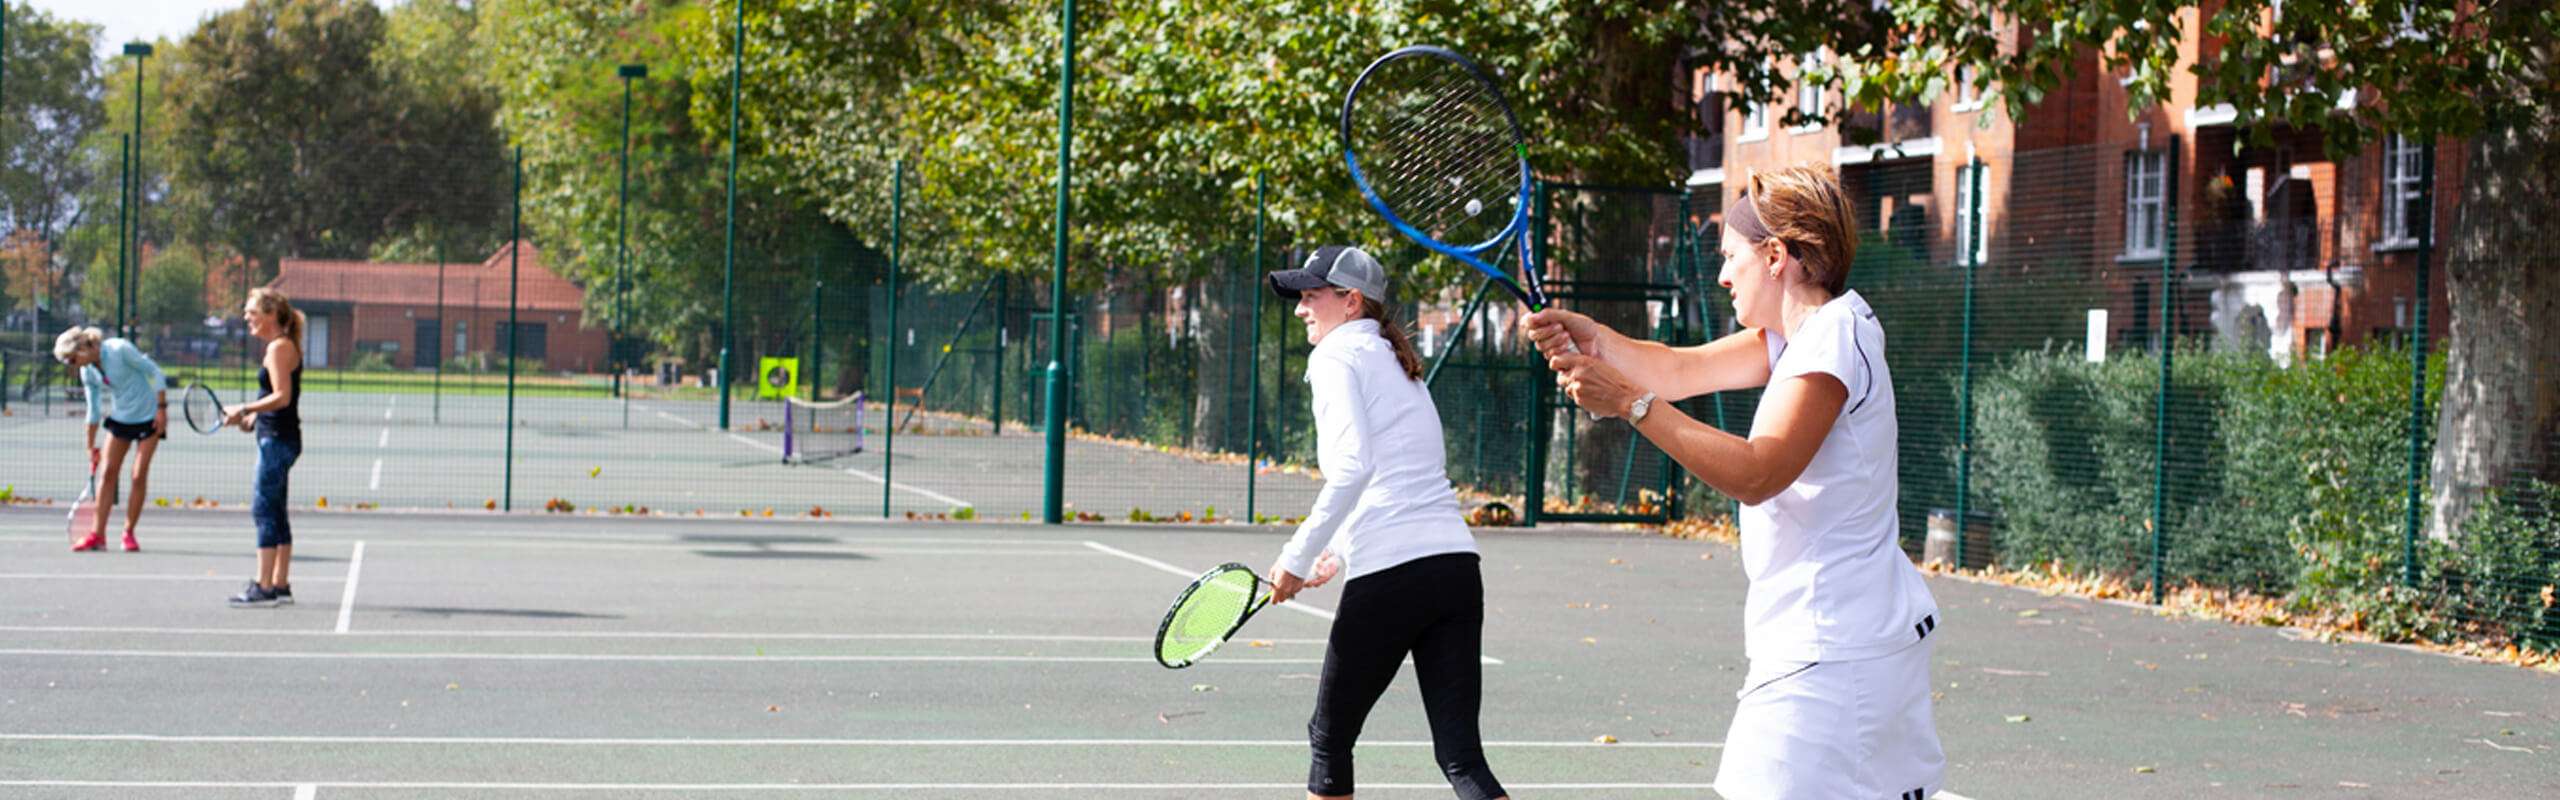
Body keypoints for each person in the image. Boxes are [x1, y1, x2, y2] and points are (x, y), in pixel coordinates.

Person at [1527, 163, 1945, 799]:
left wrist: (1631, 404)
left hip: (1831, 655)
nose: (1722, 274)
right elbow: (1678, 368)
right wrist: (1599, 341)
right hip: (1844, 645)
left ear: (1776, 256)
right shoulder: (1801, 334)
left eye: (1731, 257)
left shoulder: (1829, 339)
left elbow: (1759, 471)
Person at [1263, 245, 1508, 800]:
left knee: (1330, 741)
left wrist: (1296, 559)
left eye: (1310, 296)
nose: (1301, 309)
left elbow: (1355, 467)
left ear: (1350, 302)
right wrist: (1339, 554)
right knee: (1461, 758)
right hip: (1455, 571)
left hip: (1394, 576)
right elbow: (1403, 475)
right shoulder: (1399, 364)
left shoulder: (1332, 358)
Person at [221, 288, 306, 608]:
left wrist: (244, 409)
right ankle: (280, 583)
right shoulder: (283, 346)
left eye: (252, 312)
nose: (247, 318)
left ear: (271, 314)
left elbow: (282, 397)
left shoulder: (279, 348)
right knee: (276, 509)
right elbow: (280, 401)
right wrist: (251, 419)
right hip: (279, 435)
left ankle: (264, 586)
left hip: (278, 441)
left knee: (263, 509)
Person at [53, 326, 168, 553]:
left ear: (84, 347)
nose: (72, 364)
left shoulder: (120, 349)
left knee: (138, 475)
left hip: (149, 417)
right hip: (121, 419)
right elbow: (93, 410)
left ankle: (128, 533)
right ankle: (97, 535)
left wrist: (161, 409)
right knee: (106, 475)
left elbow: (154, 371)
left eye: (72, 358)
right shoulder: (88, 371)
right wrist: (90, 446)